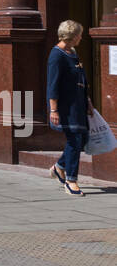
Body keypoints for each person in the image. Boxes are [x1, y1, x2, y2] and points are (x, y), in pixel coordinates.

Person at [47, 19, 94, 198]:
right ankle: (71, 180)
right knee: (74, 141)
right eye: (79, 35)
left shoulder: (72, 53)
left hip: (78, 105)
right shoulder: (56, 55)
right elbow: (52, 84)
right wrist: (54, 109)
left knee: (81, 139)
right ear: (72, 36)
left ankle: (59, 167)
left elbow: (81, 80)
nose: (81, 38)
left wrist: (88, 101)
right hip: (66, 107)